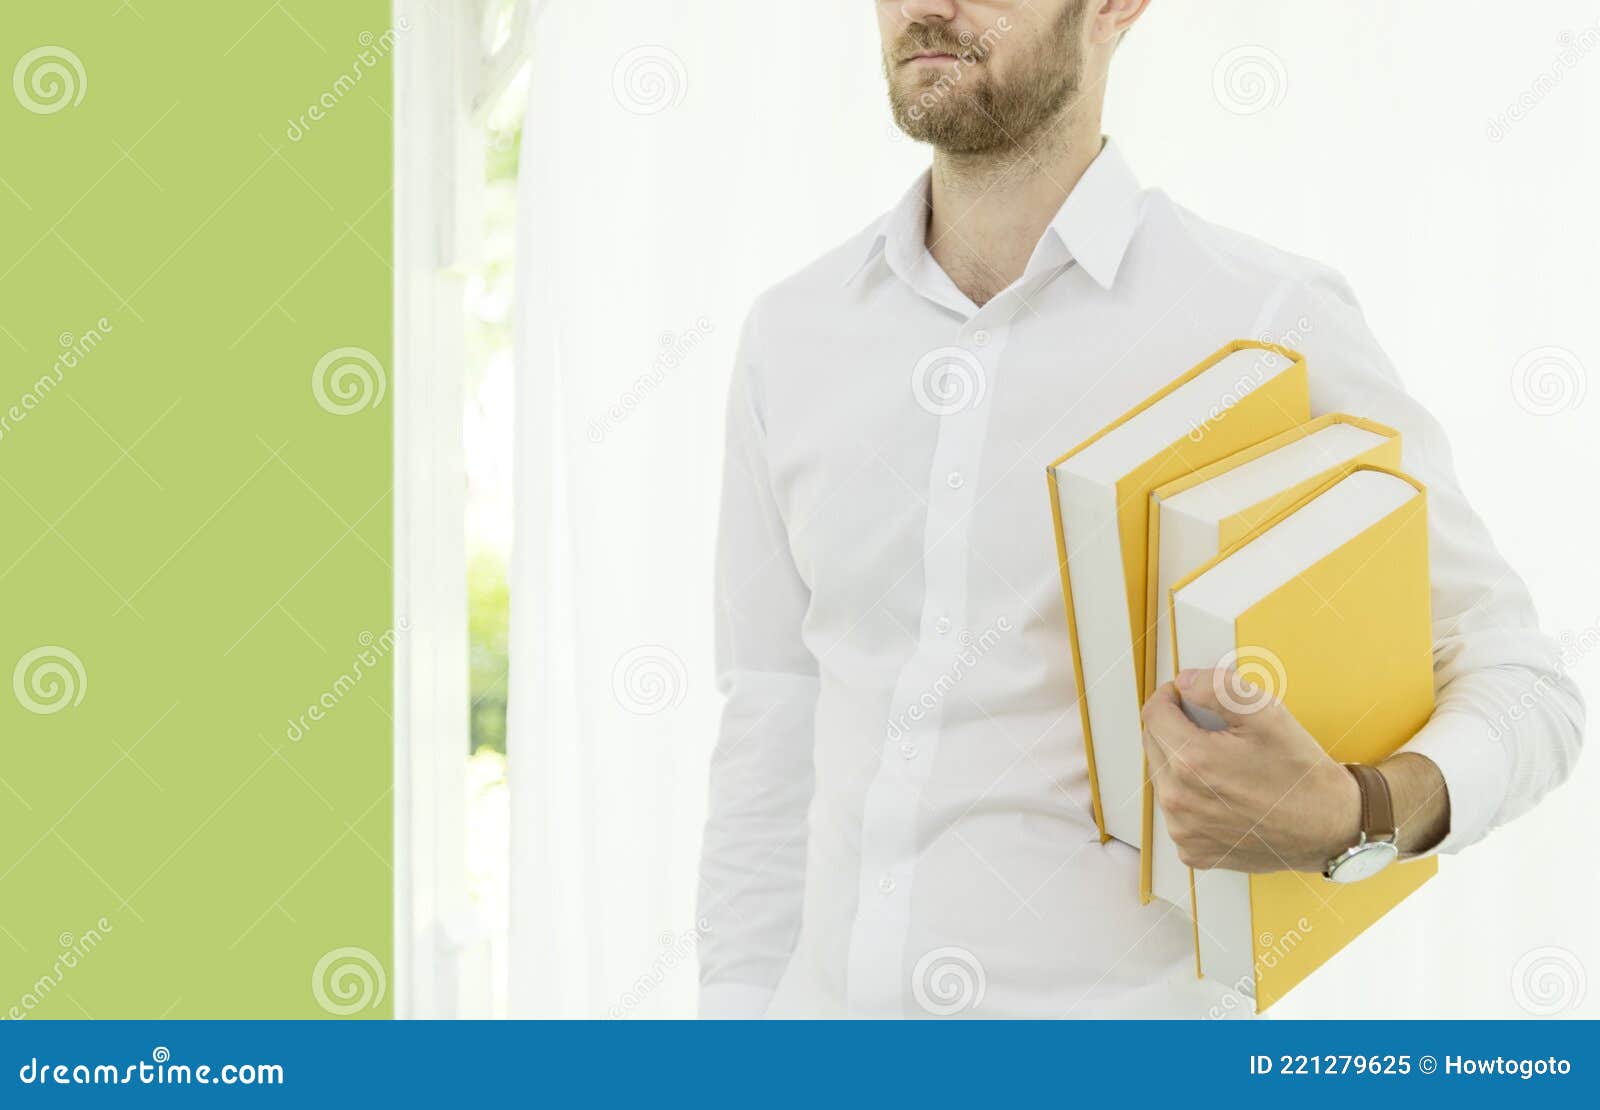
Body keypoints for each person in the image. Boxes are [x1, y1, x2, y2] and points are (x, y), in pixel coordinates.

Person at [696, 0, 1584, 1018]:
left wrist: (1353, 812)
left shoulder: (1265, 323)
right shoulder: (791, 335)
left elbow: (1524, 686)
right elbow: (770, 712)